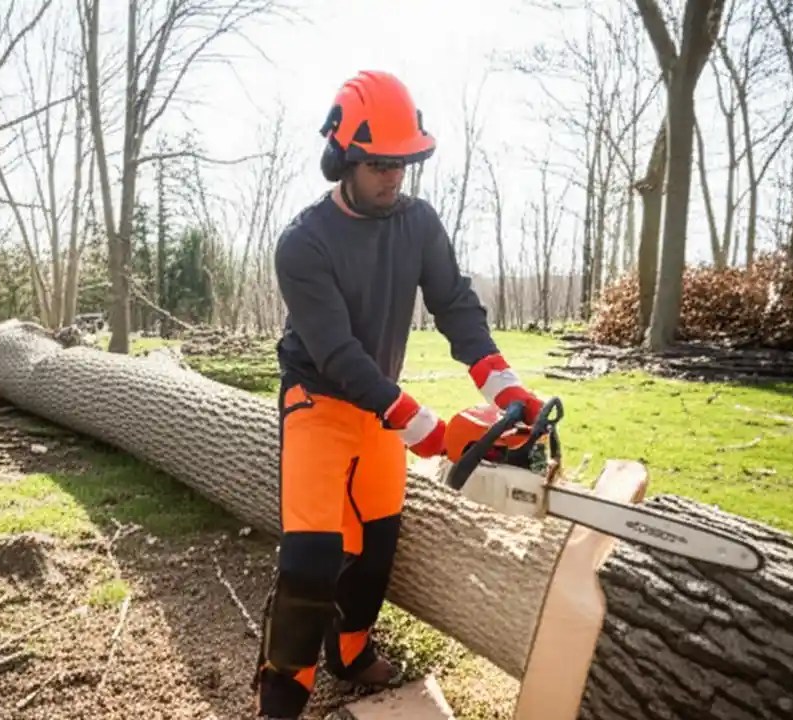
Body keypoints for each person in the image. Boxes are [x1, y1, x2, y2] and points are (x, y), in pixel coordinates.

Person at [251, 70, 545, 719]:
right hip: (319, 403)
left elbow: (456, 307)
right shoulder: (302, 243)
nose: (393, 178)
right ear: (344, 158)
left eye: (403, 164)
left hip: (380, 404)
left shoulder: (418, 223)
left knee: (378, 542)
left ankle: (349, 653)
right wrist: (428, 431)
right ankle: (281, 695)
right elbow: (336, 353)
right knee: (313, 559)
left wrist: (505, 388)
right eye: (380, 164)